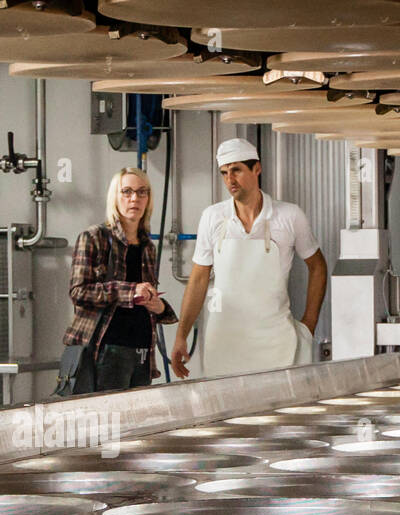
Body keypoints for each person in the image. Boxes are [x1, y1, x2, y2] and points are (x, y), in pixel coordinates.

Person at [170, 138, 327, 379]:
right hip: (224, 342)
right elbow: (199, 280)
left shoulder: (289, 216)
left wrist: (308, 325)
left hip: (276, 342)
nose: (229, 180)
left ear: (257, 169)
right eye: (224, 173)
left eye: (236, 170)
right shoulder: (213, 217)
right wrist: (182, 335)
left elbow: (317, 267)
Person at [61, 166, 177, 394]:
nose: (135, 198)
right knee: (106, 422)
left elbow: (146, 296)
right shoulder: (94, 238)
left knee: (137, 421)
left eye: (142, 192)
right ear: (115, 197)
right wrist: (129, 291)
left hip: (142, 349)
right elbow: (78, 292)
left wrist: (158, 306)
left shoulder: (147, 247)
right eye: (127, 191)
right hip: (106, 348)